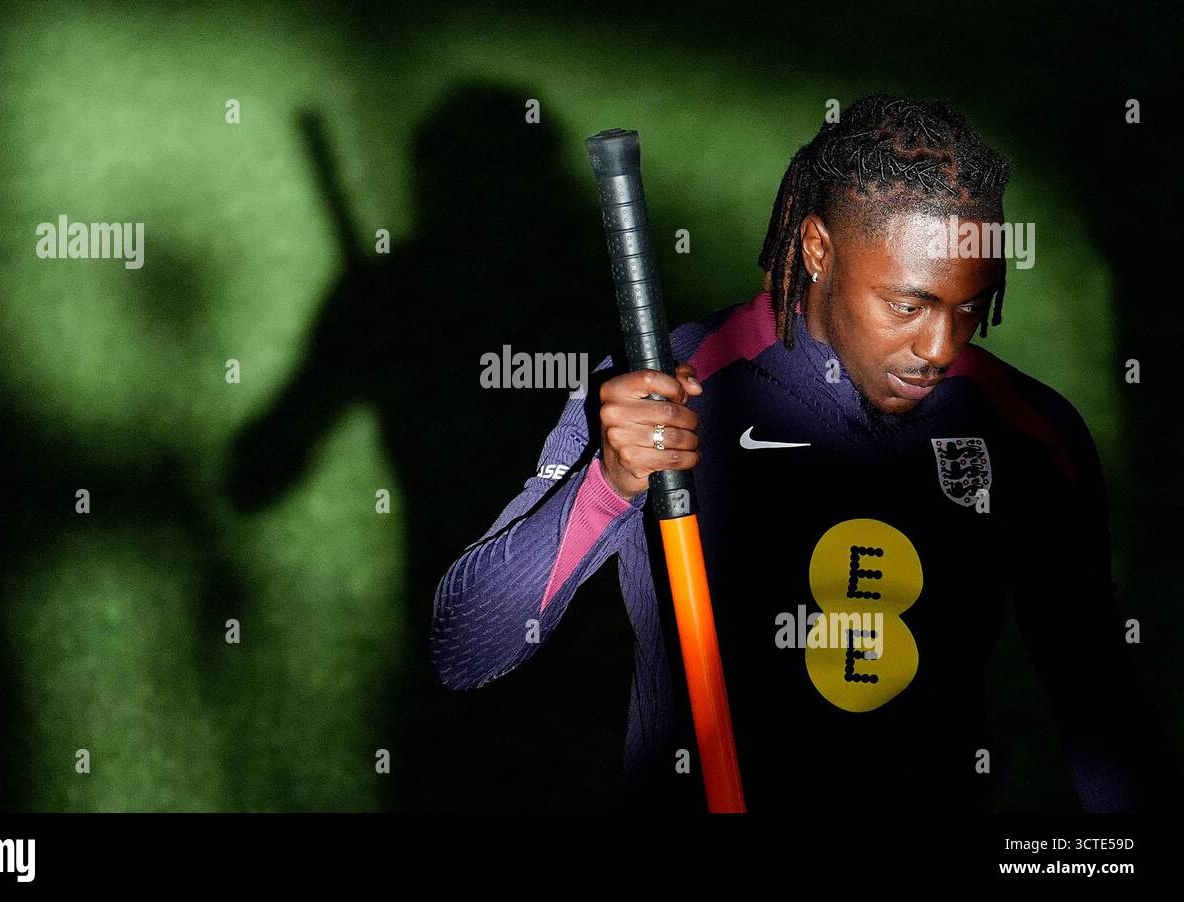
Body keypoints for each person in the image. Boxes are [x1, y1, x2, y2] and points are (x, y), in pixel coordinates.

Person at [428, 94, 1178, 811]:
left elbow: (1098, 700)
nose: (941, 349)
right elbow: (465, 646)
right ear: (818, 248)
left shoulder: (1024, 429)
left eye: (971, 307)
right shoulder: (661, 389)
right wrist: (609, 483)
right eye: (908, 306)